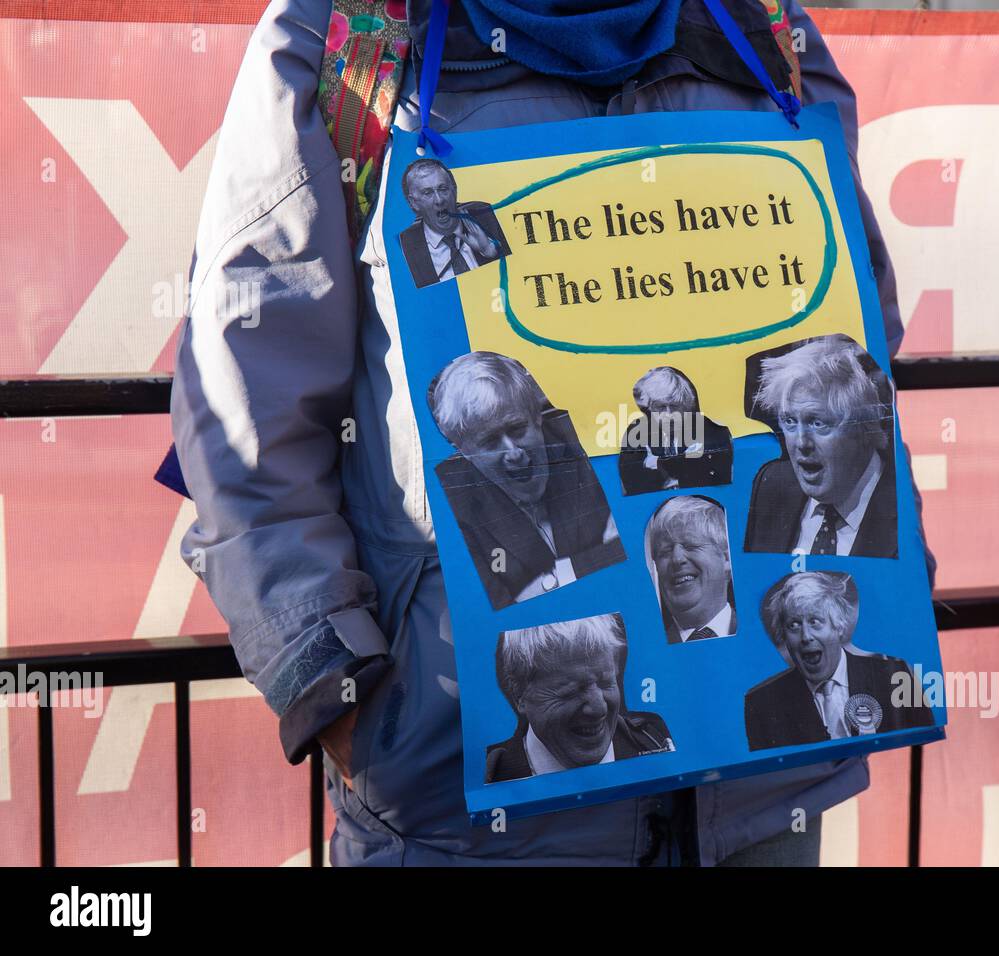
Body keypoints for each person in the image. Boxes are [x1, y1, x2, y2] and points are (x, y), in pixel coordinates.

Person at [170, 0, 933, 867]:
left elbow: (857, 333)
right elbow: (245, 405)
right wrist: (326, 674)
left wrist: (875, 571)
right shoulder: (344, 34)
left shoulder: (760, 26)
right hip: (470, 803)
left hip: (759, 793)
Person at [428, 351, 624, 609]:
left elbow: (641, 542)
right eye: (490, 441)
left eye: (518, 429)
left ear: (536, 416)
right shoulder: (448, 499)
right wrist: (598, 558)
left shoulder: (588, 441)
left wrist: (553, 580)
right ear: (465, 452)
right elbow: (494, 609)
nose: (513, 452)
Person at [744, 334, 897, 558]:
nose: (801, 443)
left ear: (864, 427)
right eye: (789, 421)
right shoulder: (769, 486)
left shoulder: (902, 500)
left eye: (818, 423)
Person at [745, 572, 932, 751]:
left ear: (838, 627)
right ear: (784, 637)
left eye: (815, 621)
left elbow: (924, 744)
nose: (806, 636)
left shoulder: (895, 677)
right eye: (793, 625)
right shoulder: (762, 704)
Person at [485, 614, 674, 783]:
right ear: (520, 696)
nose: (599, 708)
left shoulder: (658, 739)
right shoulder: (489, 776)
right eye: (570, 691)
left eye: (606, 682)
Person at [618, 366, 732, 495]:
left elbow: (717, 479)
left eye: (674, 406)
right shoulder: (636, 431)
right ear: (649, 407)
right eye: (660, 407)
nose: (669, 414)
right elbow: (632, 482)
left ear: (686, 404)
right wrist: (686, 466)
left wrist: (655, 463)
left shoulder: (710, 430)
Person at [398, 158, 509, 287]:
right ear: (413, 203)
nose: (439, 200)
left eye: (443, 189)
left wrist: (489, 251)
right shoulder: (405, 245)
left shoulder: (486, 216)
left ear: (454, 190)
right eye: (427, 193)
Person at [646, 496, 736, 643]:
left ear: (726, 558)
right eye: (665, 551)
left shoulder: (763, 636)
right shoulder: (648, 648)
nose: (676, 559)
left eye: (690, 545)